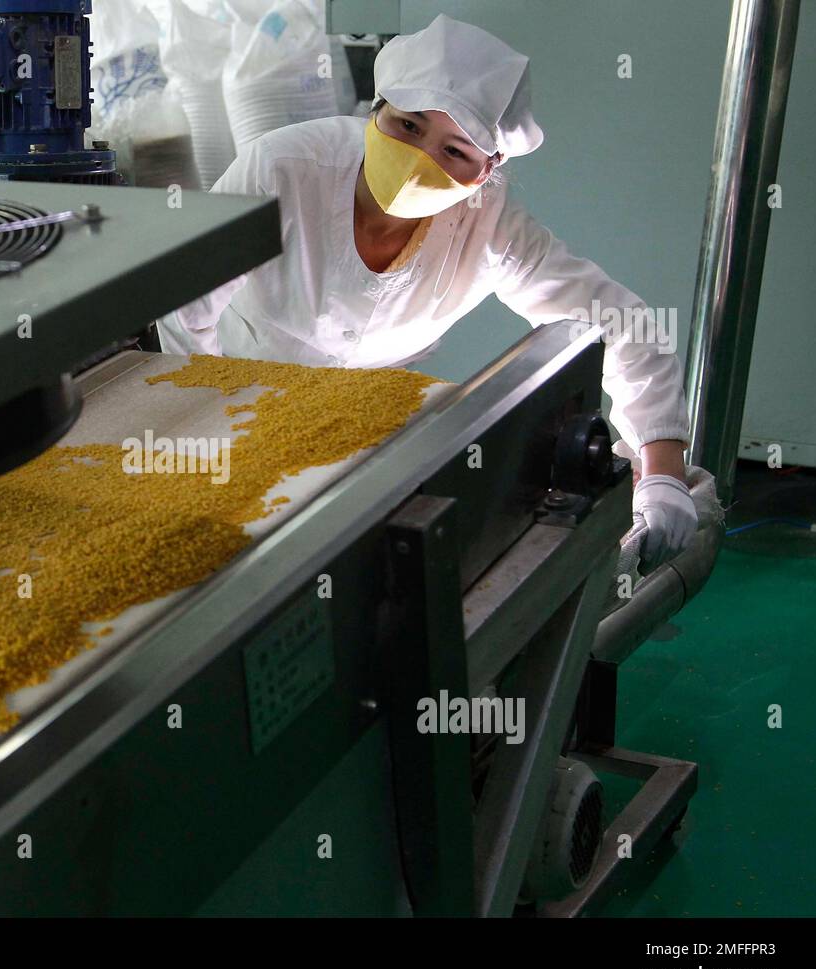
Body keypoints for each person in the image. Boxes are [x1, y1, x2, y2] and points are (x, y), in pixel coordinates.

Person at [156, 14, 697, 568]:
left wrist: (663, 475)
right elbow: (184, 299)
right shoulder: (286, 167)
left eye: (456, 152)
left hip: (374, 431)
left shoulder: (487, 225)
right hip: (243, 394)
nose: (420, 161)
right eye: (409, 127)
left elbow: (618, 323)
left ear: (488, 170)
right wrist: (211, 432)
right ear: (376, 109)